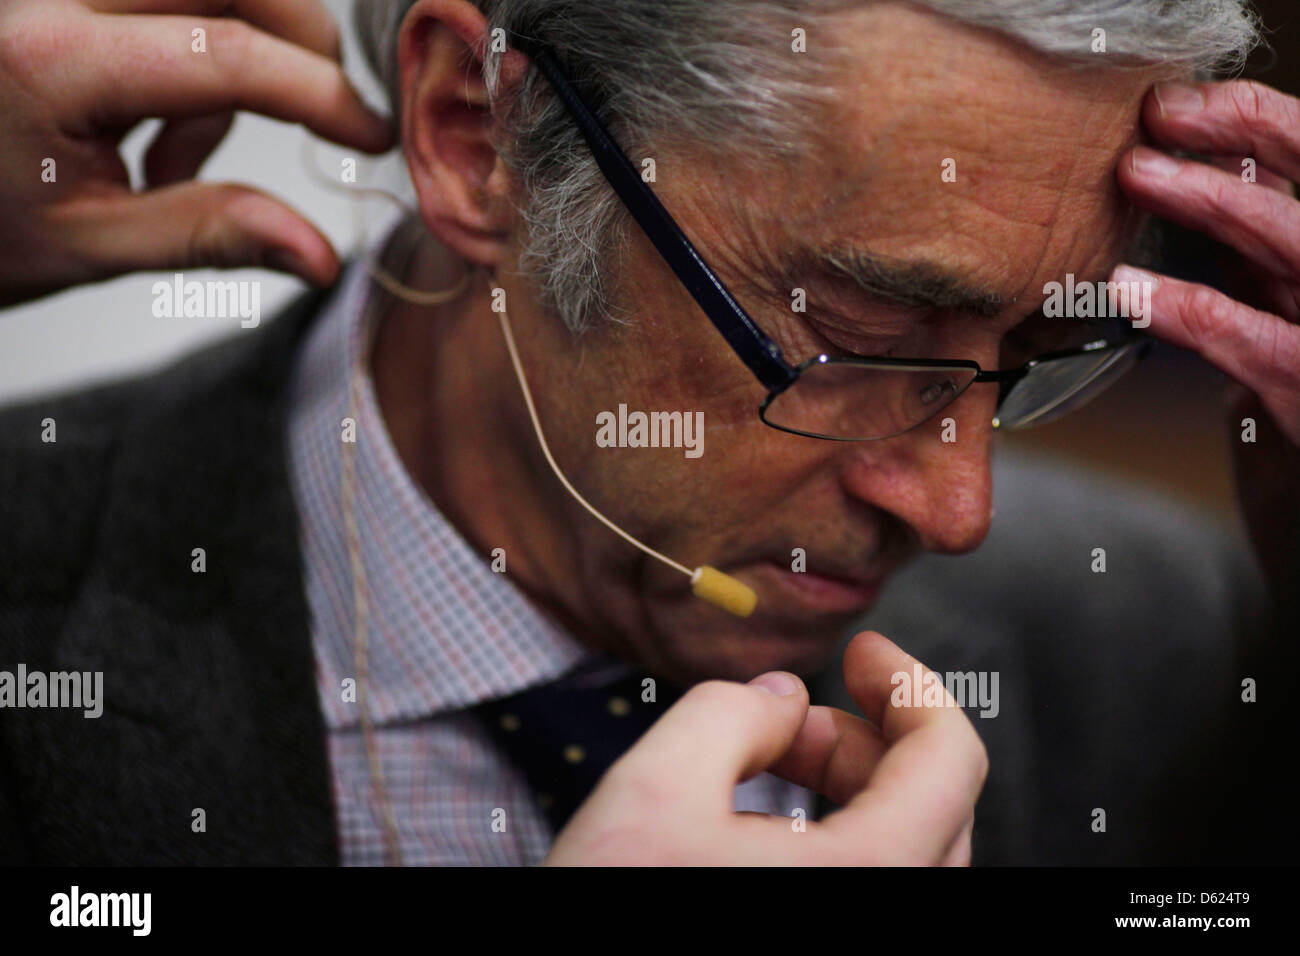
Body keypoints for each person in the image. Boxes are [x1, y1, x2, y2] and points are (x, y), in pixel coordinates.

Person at [0, 0, 1294, 865]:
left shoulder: (1175, 637)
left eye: (1044, 354)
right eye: (866, 340)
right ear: (476, 134)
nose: (962, 512)